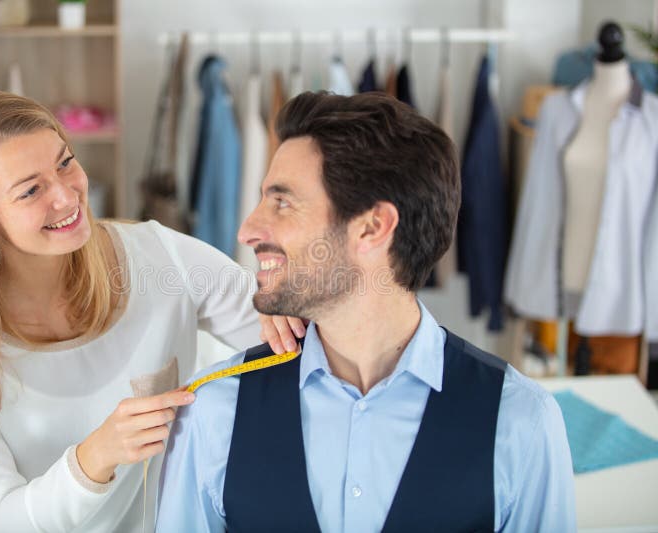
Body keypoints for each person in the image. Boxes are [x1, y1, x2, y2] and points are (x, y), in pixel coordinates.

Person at [155, 91, 576, 532]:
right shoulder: (214, 411)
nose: (247, 230)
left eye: (282, 203)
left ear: (373, 227)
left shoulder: (521, 422)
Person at [0, 89, 301, 532]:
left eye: (65, 163)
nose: (67, 196)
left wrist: (289, 304)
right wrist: (96, 457)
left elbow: (309, 340)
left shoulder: (162, 259)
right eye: (31, 190)